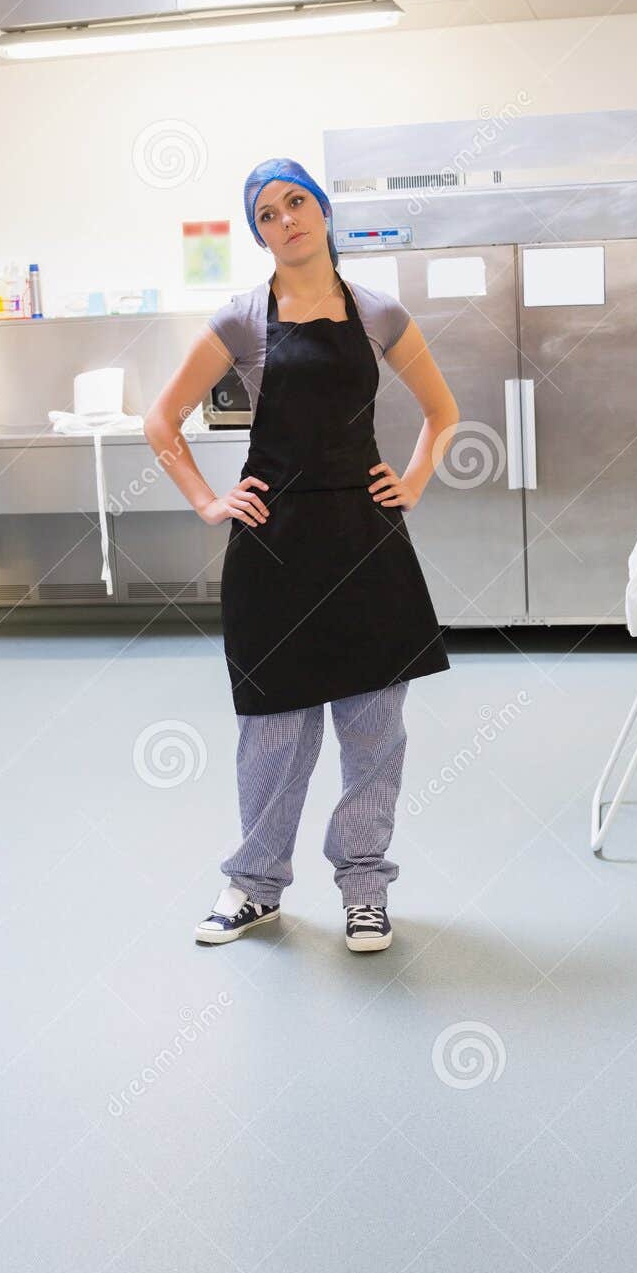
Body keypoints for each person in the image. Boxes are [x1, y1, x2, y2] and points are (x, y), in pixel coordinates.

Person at [143, 157, 458, 953]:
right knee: (273, 732)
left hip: (364, 545)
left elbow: (441, 411)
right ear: (258, 235)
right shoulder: (243, 318)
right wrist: (209, 501)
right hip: (274, 552)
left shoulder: (378, 311)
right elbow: (162, 420)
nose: (286, 221)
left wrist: (413, 479)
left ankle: (363, 889)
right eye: (267, 215)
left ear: (322, 208)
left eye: (296, 203)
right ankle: (254, 889)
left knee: (374, 729)